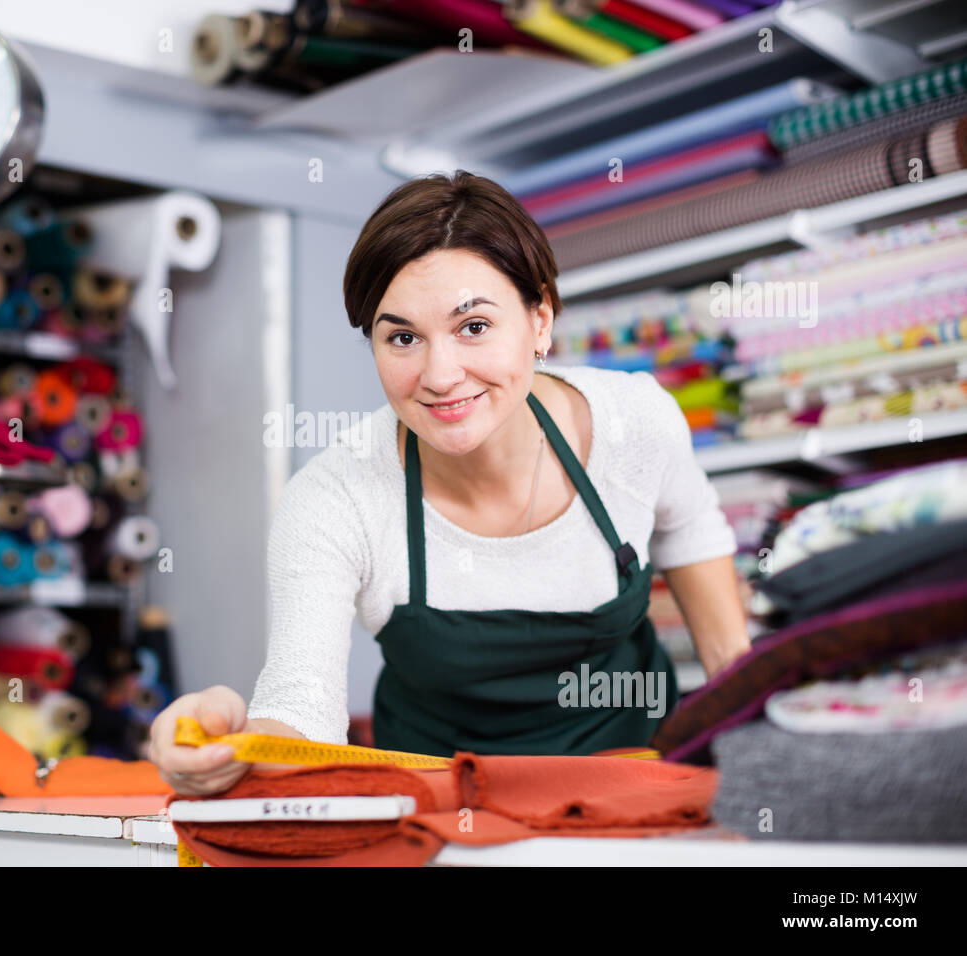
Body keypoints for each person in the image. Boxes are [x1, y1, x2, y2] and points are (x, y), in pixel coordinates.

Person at [150, 170, 750, 795]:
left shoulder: (635, 423)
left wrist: (747, 725)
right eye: (403, 337)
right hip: (439, 814)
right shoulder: (334, 499)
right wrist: (230, 745)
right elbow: (304, 716)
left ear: (539, 319)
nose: (440, 375)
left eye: (473, 327)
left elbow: (690, 534)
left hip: (634, 786)